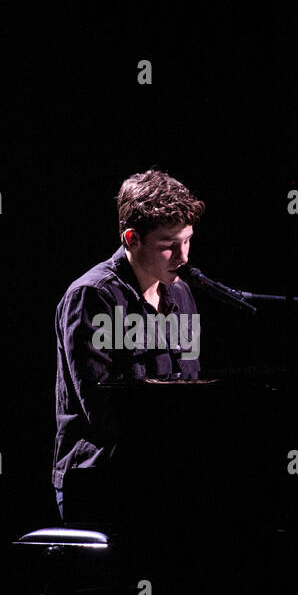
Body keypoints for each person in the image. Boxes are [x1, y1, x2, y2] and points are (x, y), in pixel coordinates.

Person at [52, 168, 205, 526]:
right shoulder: (93, 296)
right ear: (132, 238)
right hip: (101, 474)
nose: (183, 256)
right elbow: (102, 411)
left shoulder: (180, 293)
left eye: (187, 240)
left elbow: (192, 389)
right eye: (168, 245)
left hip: (162, 472)